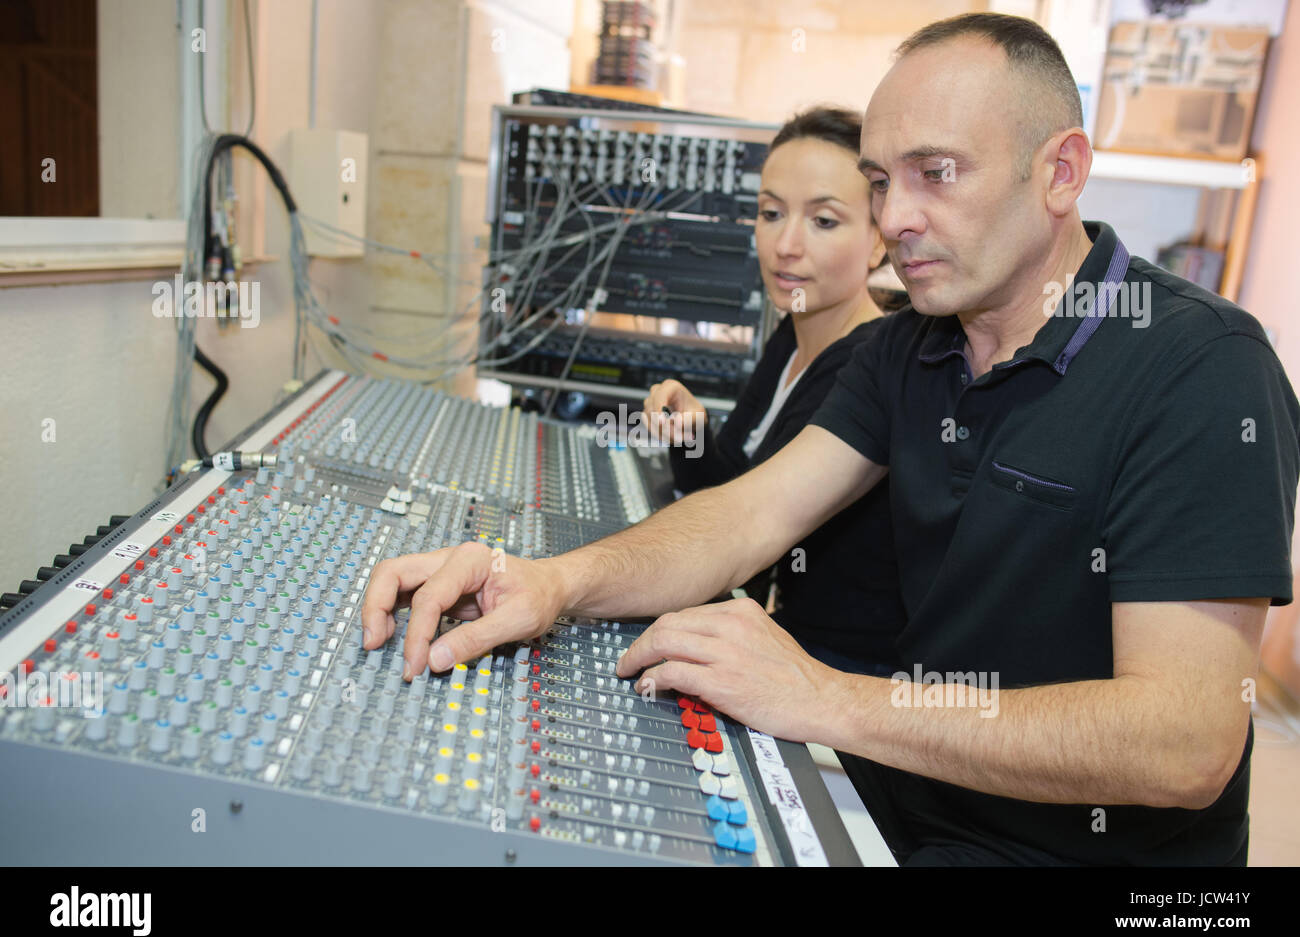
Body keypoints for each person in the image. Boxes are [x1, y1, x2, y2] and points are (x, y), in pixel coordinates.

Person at [362, 12, 1300, 866]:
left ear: (1060, 170)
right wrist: (553, 582)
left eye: (937, 173)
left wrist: (828, 697)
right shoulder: (906, 350)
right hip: (906, 797)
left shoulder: (1202, 370)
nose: (894, 219)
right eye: (883, 182)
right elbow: (746, 515)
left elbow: (1185, 745)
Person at [643, 105, 906, 677]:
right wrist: (692, 436)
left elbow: (744, 548)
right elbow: (730, 488)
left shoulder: (869, 361)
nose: (785, 244)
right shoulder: (792, 331)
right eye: (770, 213)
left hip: (829, 677)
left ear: (879, 240)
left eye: (824, 221)